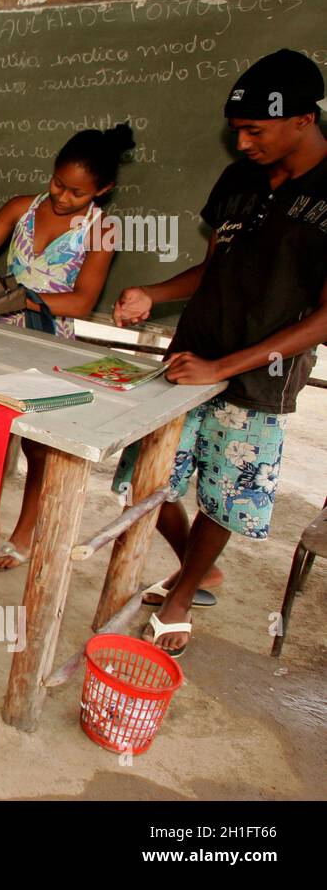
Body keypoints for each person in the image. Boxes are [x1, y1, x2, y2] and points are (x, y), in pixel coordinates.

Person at [111, 49, 327, 657]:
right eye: (237, 130)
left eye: (256, 130)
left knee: (227, 492)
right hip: (191, 356)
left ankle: (180, 599)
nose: (242, 143)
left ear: (304, 120)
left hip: (261, 377)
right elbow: (213, 269)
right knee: (145, 479)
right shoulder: (240, 180)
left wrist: (225, 369)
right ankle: (196, 568)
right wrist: (153, 291)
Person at [0, 124, 133, 571]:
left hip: (50, 341)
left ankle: (24, 532)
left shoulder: (103, 229)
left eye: (76, 192)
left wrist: (27, 298)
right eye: (58, 183)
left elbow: (81, 300)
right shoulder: (22, 208)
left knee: (38, 446)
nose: (62, 196)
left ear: (103, 190)